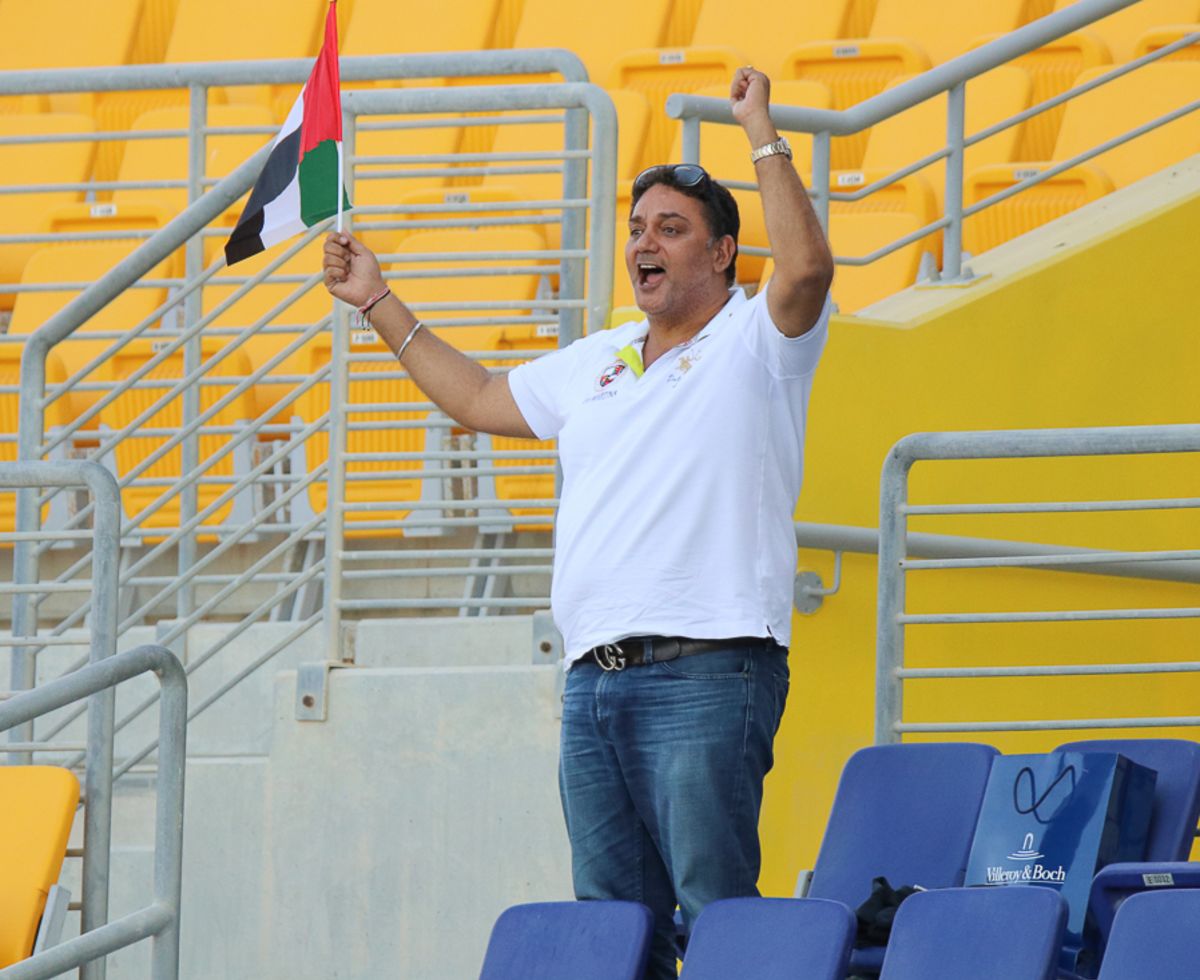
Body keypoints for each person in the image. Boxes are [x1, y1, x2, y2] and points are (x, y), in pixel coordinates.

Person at [323, 66, 833, 980]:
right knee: (613, 931)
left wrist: (760, 131)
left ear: (721, 256)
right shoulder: (596, 357)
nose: (646, 243)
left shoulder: (759, 341)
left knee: (718, 916)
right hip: (591, 684)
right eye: (637, 229)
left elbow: (807, 268)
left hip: (710, 668)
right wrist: (376, 300)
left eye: (672, 229)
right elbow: (478, 397)